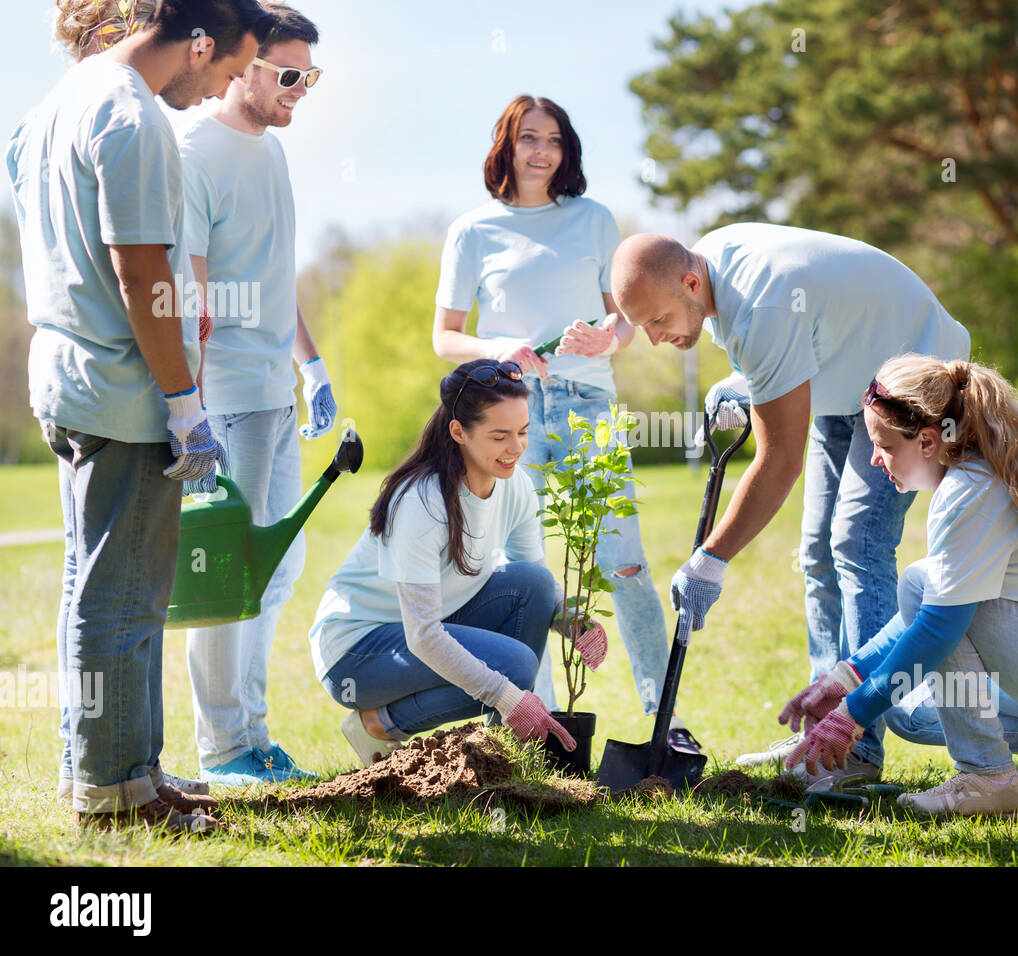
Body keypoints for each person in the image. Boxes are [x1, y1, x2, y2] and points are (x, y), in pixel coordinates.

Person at [5, 0, 274, 834]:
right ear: (197, 46)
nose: (228, 86)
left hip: (66, 377)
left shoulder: (59, 103)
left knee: (96, 583)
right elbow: (141, 272)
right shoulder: (135, 116)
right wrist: (187, 405)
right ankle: (119, 794)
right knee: (124, 596)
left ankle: (104, 769)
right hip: (124, 393)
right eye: (231, 70)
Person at [610, 225, 970, 783]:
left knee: (857, 540)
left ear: (689, 280)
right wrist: (743, 381)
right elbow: (788, 343)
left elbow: (779, 462)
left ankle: (857, 747)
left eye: (657, 320)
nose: (655, 339)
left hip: (912, 372)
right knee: (817, 552)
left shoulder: (762, 308)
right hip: (846, 372)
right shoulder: (710, 266)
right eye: (643, 327)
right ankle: (818, 732)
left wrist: (711, 558)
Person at [782, 355, 1018, 815]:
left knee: (925, 593)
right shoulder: (979, 473)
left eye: (883, 444)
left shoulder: (972, 489)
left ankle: (988, 778)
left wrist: (850, 717)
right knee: (907, 710)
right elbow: (927, 620)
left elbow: (938, 627)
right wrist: (847, 677)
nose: (874, 458)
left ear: (926, 441)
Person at [433, 95, 697, 748]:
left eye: (554, 139)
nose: (542, 150)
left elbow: (625, 320)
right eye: (529, 138)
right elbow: (445, 338)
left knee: (625, 561)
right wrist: (500, 350)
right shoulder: (473, 230)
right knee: (520, 568)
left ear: (567, 149)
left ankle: (661, 722)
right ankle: (536, 720)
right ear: (507, 145)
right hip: (506, 413)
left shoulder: (594, 220)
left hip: (588, 410)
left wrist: (606, 340)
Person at [180, 1, 334, 786]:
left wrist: (312, 365)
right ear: (244, 61)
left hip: (275, 393)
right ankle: (224, 749)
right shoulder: (196, 150)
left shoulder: (269, 152)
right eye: (289, 73)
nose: (301, 88)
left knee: (277, 566)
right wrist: (191, 410)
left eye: (311, 75)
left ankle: (255, 735)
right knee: (225, 576)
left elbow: (275, 279)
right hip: (226, 401)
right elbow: (191, 294)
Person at [309, 360, 607, 765]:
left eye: (522, 432)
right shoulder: (421, 502)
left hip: (425, 626)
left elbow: (538, 578)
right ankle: (379, 723)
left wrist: (571, 617)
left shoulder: (513, 483)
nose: (517, 448)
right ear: (458, 431)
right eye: (500, 436)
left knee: (534, 583)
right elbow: (424, 636)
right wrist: (505, 694)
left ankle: (504, 745)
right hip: (357, 653)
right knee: (515, 667)